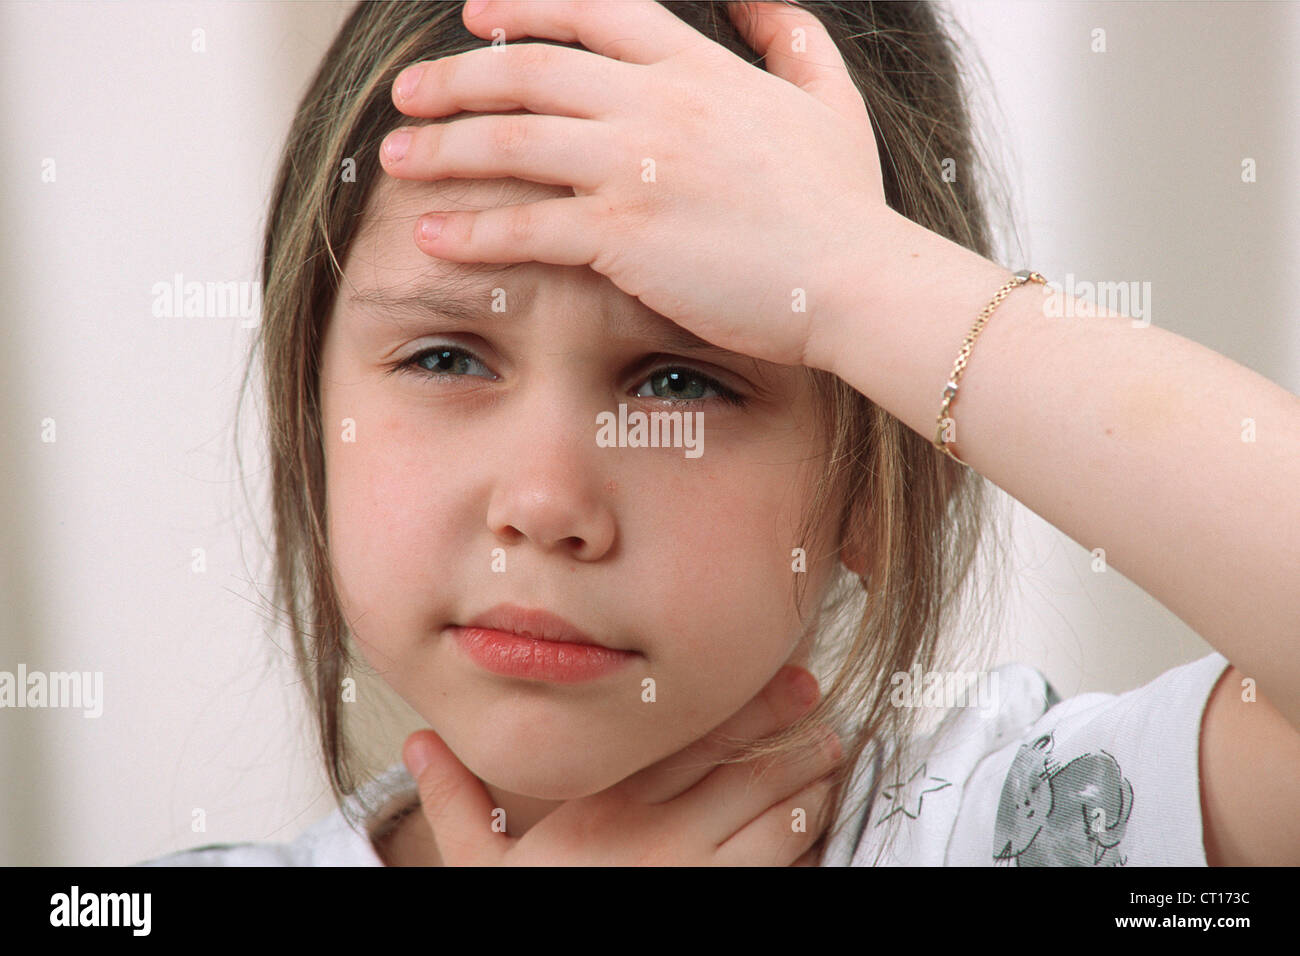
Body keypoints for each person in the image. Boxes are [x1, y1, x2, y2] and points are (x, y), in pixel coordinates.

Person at [138, 0, 1299, 867]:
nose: (543, 501)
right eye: (446, 357)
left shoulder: (1001, 824)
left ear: (877, 494)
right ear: (312, 412)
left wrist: (858, 276)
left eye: (680, 380)